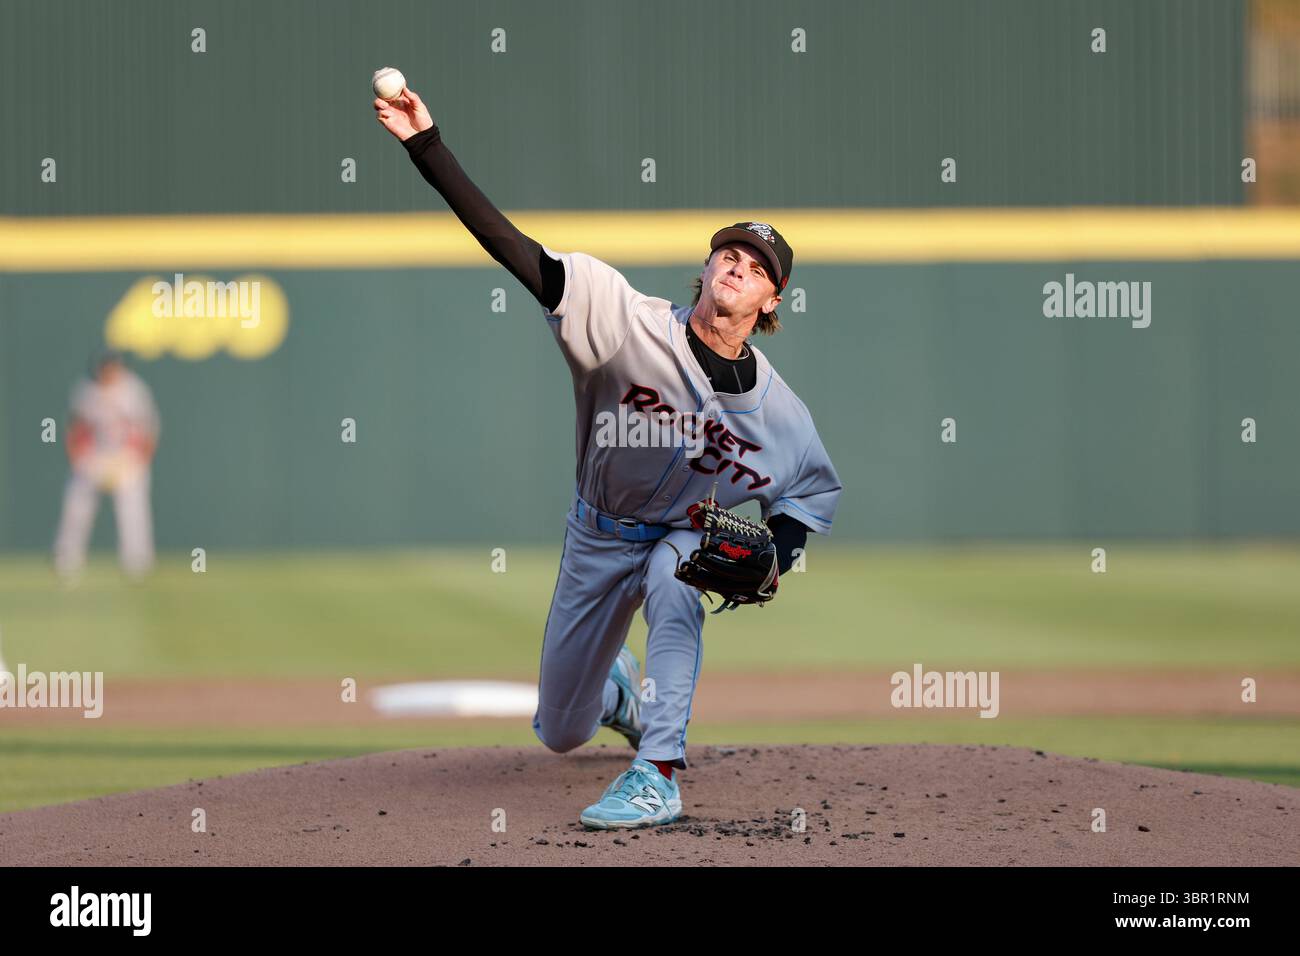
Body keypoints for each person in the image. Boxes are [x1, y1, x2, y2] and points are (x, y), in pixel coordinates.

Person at [375, 87, 842, 829]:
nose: (736, 265)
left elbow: (809, 497)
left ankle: (656, 771)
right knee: (559, 730)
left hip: (680, 531)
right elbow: (511, 246)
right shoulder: (620, 319)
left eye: (755, 267)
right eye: (729, 252)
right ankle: (619, 695)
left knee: (679, 574)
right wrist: (426, 146)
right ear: (708, 264)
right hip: (597, 534)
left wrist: (778, 554)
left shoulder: (780, 415)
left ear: (770, 301)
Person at [53, 350, 160, 581]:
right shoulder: (86, 392)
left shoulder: (134, 391)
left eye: (114, 368)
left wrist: (140, 460)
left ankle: (137, 562)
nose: (110, 372)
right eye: (106, 368)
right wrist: (78, 457)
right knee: (77, 507)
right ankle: (66, 557)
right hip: (96, 457)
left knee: (132, 511)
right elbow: (75, 428)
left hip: (126, 458)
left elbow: (149, 429)